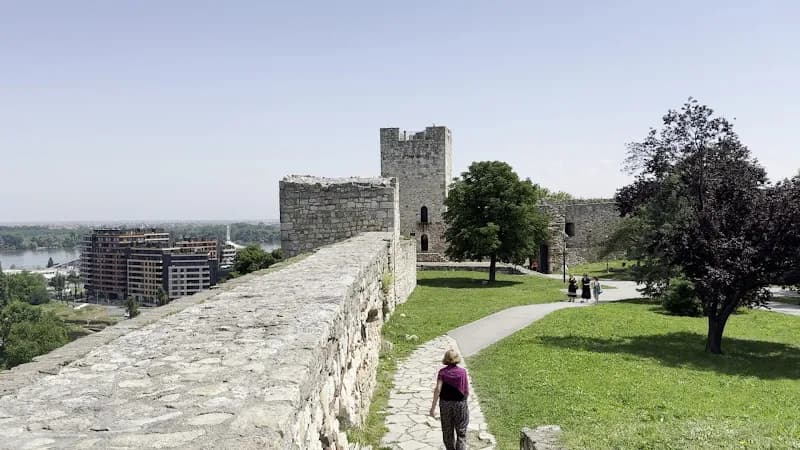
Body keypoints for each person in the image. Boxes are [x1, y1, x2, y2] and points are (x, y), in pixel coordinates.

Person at [430, 349, 469, 450]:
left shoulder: (442, 373)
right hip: (460, 404)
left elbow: (438, 389)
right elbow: (466, 390)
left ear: (446, 359)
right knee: (461, 432)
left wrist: (433, 408)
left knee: (447, 431)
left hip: (445, 404)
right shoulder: (462, 372)